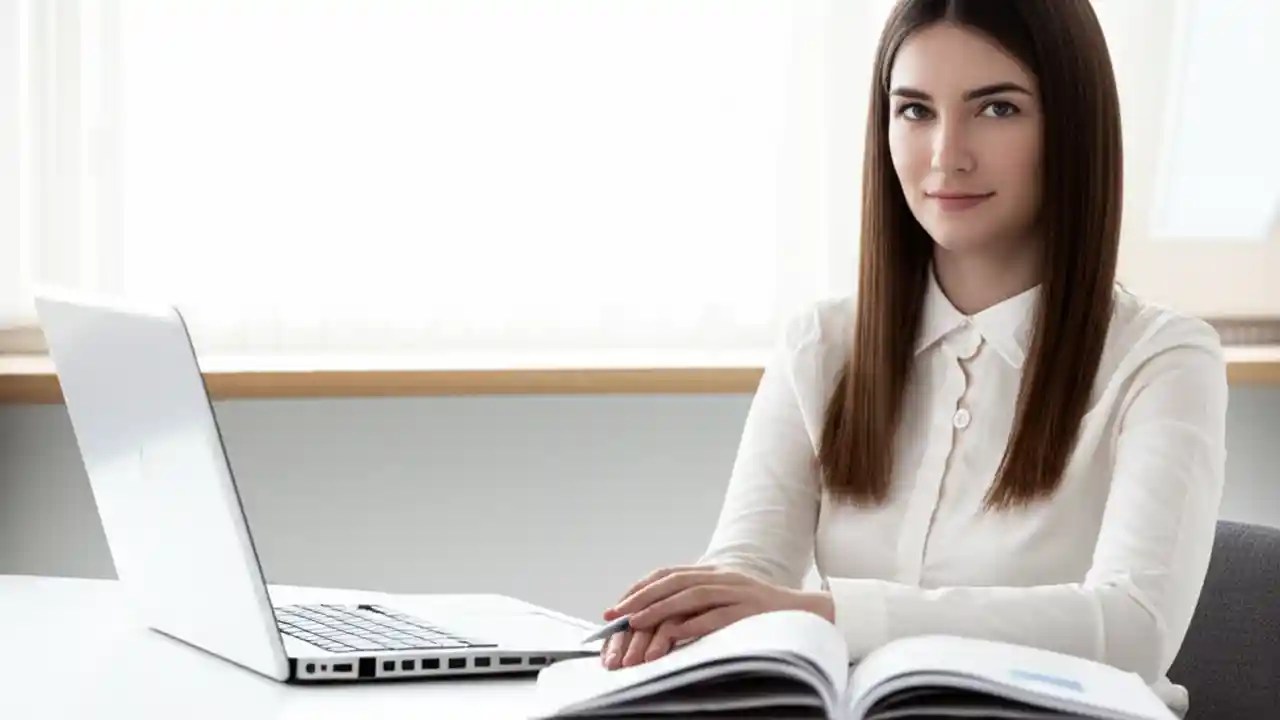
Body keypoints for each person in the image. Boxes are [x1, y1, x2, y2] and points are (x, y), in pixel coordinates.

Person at [597, 1, 1228, 716]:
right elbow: (750, 568)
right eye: (915, 110)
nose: (945, 154)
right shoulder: (823, 344)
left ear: (1072, 127)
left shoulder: (1162, 361)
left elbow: (1133, 629)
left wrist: (830, 614)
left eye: (996, 109)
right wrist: (693, 612)